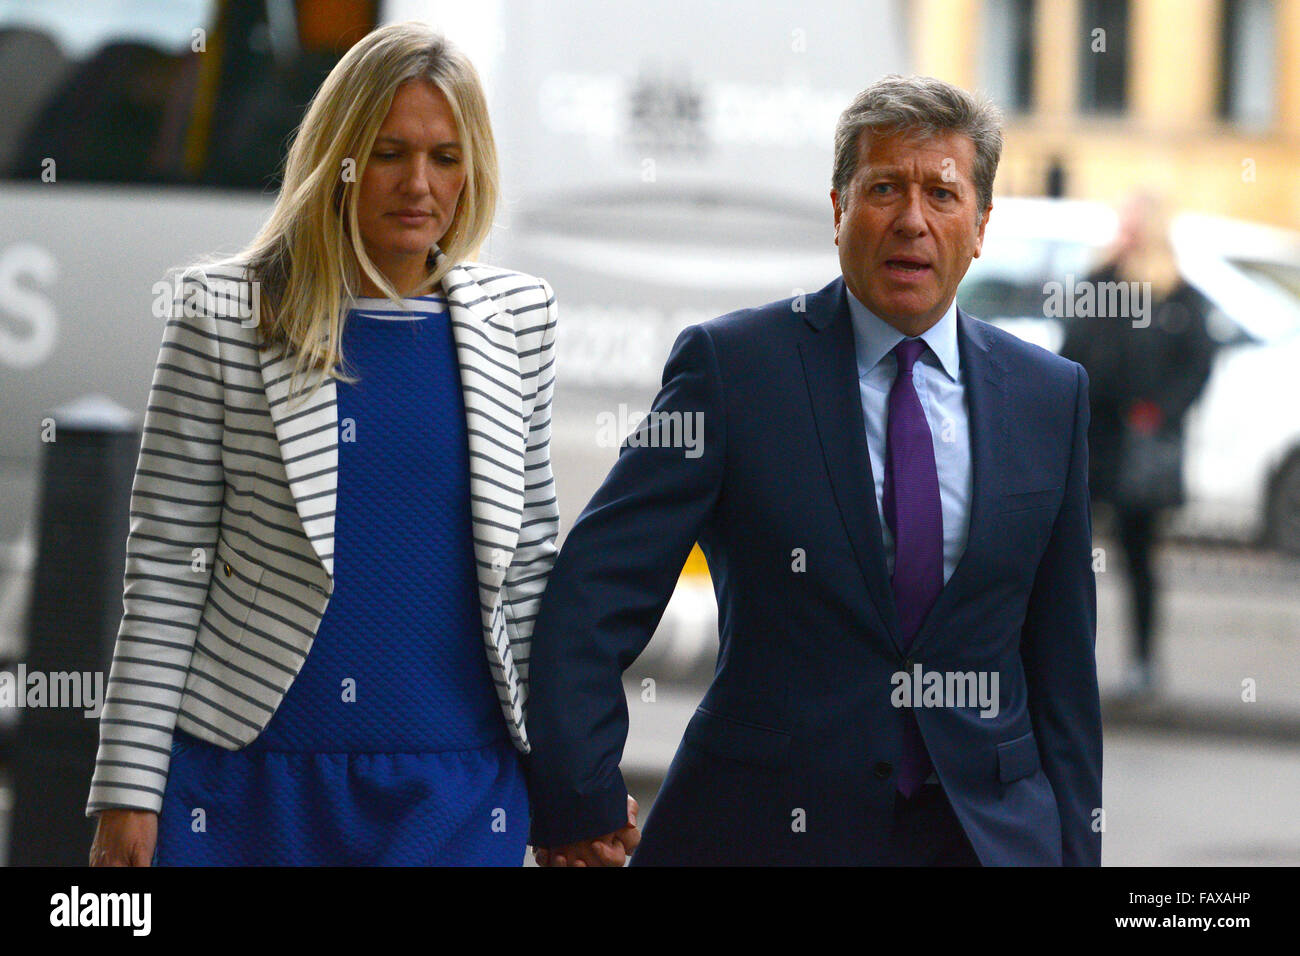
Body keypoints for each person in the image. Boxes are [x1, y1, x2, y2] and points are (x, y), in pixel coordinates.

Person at [526, 74, 1102, 866]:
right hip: (762, 832)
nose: (911, 220)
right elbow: (594, 592)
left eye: (941, 193)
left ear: (981, 225)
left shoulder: (1050, 396)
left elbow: (1064, 671)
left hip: (985, 839)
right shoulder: (734, 371)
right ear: (837, 210)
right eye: (883, 188)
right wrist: (576, 793)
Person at [83, 22, 620, 866]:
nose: (419, 185)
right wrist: (128, 790)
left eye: (446, 157)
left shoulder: (519, 319)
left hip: (456, 792)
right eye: (387, 153)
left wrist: (573, 785)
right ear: (337, 157)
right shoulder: (221, 314)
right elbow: (164, 569)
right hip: (247, 784)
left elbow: (528, 580)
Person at [1059, 192, 1216, 695]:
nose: (1120, 235)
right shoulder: (1100, 284)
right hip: (1091, 441)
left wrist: (1161, 412)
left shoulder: (1178, 296)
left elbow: (1197, 365)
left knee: (1139, 556)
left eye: (1129, 226)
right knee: (1066, 556)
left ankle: (1143, 663)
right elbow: (1071, 351)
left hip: (1141, 447)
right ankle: (1060, 661)